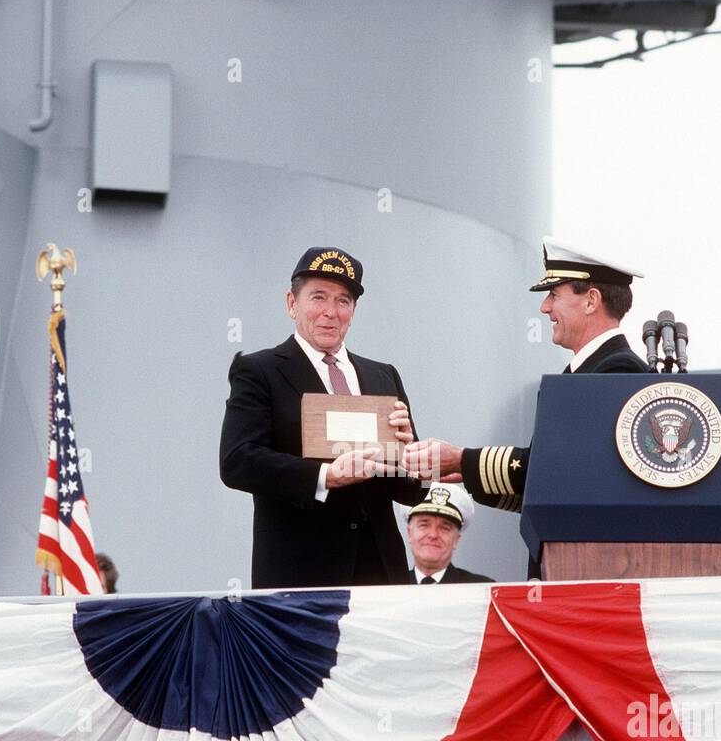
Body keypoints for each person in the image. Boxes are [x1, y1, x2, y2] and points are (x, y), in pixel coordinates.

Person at [219, 247, 424, 588]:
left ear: (354, 311)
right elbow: (237, 461)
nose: (331, 312)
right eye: (318, 297)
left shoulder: (383, 375)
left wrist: (409, 456)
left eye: (343, 301)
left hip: (380, 571)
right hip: (300, 571)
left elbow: (410, 491)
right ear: (291, 304)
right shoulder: (259, 371)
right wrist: (326, 475)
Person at [404, 239, 646, 511]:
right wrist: (468, 471)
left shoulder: (618, 370)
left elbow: (564, 469)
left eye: (554, 294)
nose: (545, 307)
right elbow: (551, 486)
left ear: (591, 301)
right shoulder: (590, 370)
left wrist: (462, 459)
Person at [405, 483, 493, 584]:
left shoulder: (482, 589)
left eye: (444, 528)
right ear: (409, 534)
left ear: (456, 539)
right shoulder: (388, 586)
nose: (433, 535)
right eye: (424, 525)